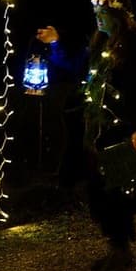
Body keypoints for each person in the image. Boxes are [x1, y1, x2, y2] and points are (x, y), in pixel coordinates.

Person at [78, 0, 136, 271]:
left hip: (124, 129)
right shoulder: (99, 44)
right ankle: (116, 245)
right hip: (100, 128)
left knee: (118, 190)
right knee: (101, 190)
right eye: (96, 13)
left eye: (103, 13)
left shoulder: (135, 45)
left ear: (116, 14)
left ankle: (121, 250)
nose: (98, 19)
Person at [34, 24, 89, 188]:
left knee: (66, 132)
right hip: (46, 88)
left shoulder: (81, 41)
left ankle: (66, 177)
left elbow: (73, 64)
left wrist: (55, 42)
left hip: (68, 92)